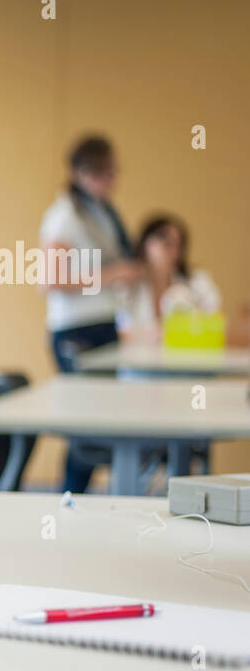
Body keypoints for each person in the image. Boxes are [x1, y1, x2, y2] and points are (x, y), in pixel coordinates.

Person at [38, 135, 144, 492]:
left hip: (103, 325)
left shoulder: (100, 212)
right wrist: (114, 274)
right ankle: (68, 496)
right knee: (85, 424)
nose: (109, 181)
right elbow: (49, 279)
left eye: (112, 172)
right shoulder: (65, 216)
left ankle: (80, 495)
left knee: (100, 420)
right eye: (101, 173)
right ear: (79, 173)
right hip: (76, 330)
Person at [117, 215, 247, 346]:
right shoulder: (128, 285)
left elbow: (216, 320)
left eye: (178, 245)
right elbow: (120, 329)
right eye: (166, 244)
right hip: (140, 359)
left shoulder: (197, 280)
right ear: (144, 244)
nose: (173, 252)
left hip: (188, 357)